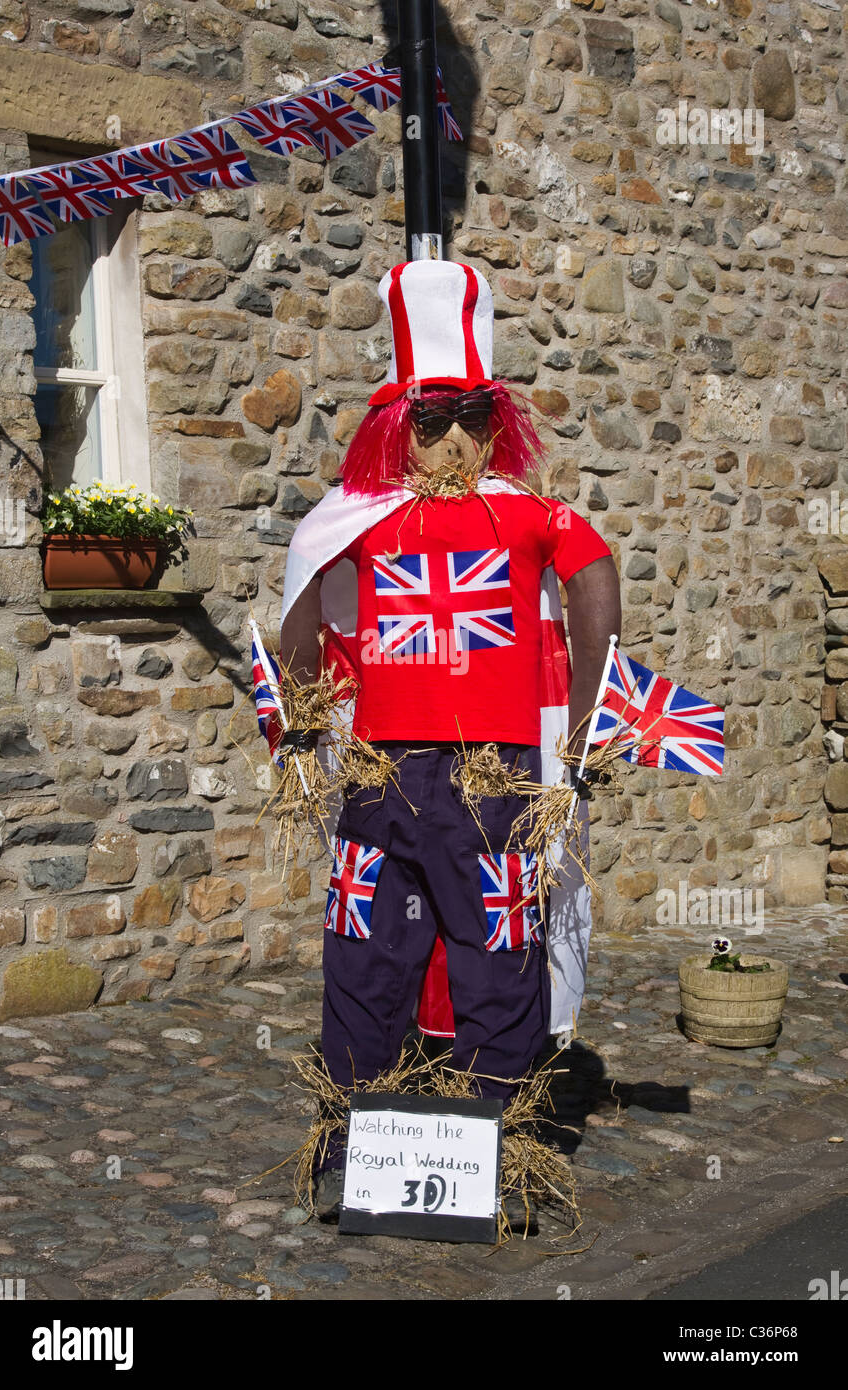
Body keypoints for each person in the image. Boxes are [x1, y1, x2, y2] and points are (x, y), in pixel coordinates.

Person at [280, 259, 621, 1220]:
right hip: (381, 774)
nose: (458, 441)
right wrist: (307, 721)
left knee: (497, 961)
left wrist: (589, 716)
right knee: (362, 953)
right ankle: (348, 1144)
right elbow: (302, 602)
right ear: (398, 426)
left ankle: (499, 1160)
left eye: (477, 418)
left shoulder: (522, 512)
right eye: (434, 421)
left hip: (495, 777)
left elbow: (595, 575)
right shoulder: (359, 517)